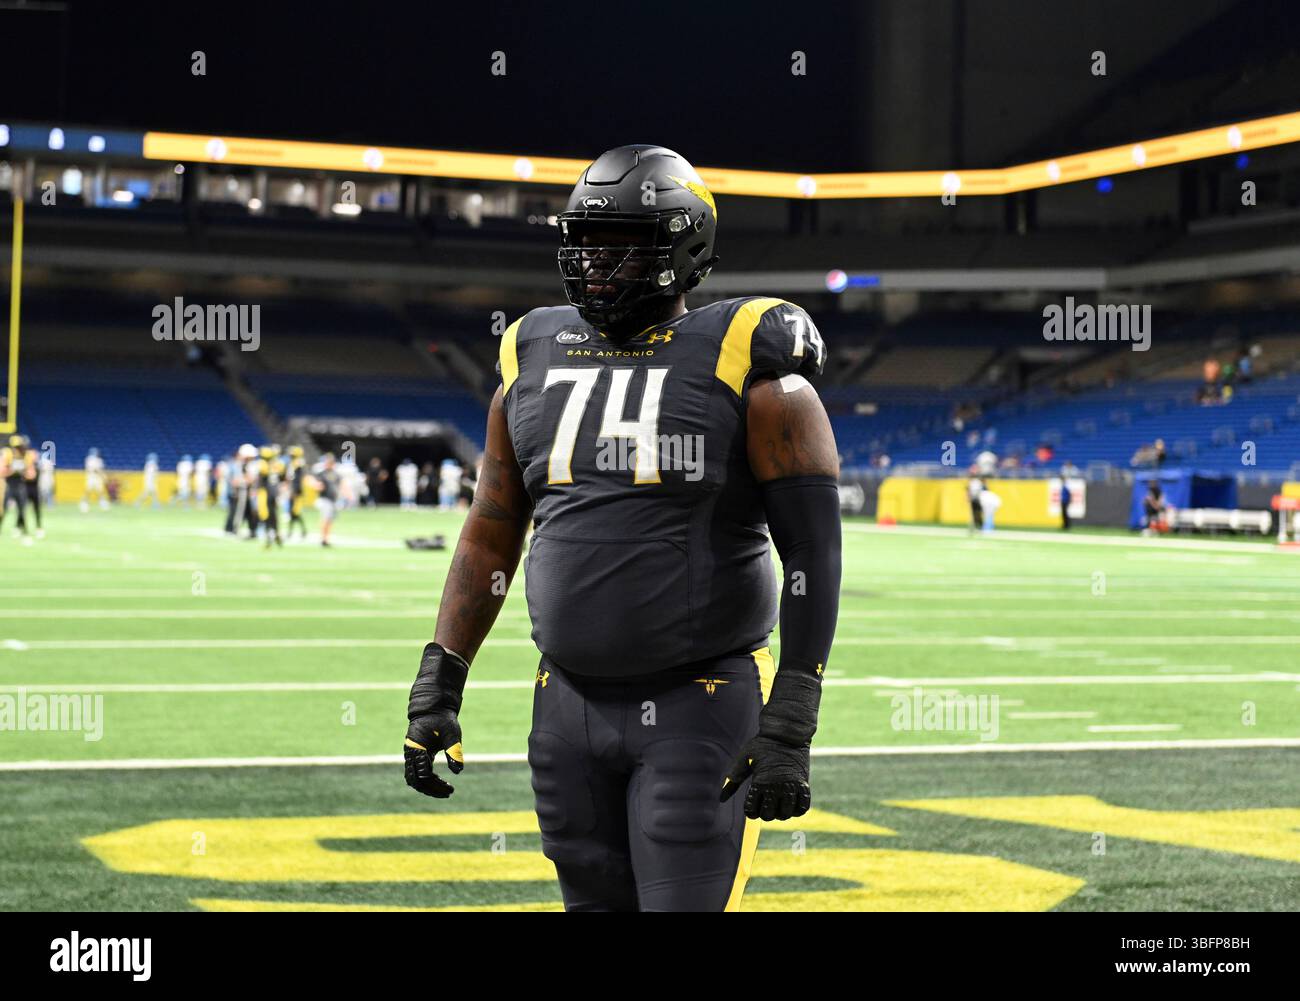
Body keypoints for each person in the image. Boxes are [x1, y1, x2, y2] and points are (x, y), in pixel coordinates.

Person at [401, 144, 840, 912]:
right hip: (564, 703)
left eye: (624, 245)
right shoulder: (530, 350)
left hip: (699, 701)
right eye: (586, 242)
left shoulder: (749, 362)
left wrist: (794, 710)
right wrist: (443, 672)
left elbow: (811, 550)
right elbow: (493, 526)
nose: (597, 263)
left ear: (684, 247)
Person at [311, 453, 341, 547]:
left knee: (330, 520)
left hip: (333, 500)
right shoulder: (322, 473)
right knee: (325, 519)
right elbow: (315, 483)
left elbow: (338, 485)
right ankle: (323, 538)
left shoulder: (335, 474)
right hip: (325, 499)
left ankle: (326, 538)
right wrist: (318, 486)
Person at [81, 448, 108, 512]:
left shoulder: (99, 460)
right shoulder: (89, 459)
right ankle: (84, 504)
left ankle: (103, 504)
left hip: (98, 478)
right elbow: (93, 469)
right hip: (91, 477)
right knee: (88, 491)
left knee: (100, 491)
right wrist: (102, 474)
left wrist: (103, 476)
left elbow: (101, 469)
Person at [966, 466, 983, 535]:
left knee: (977, 513)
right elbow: (969, 490)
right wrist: (968, 497)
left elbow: (977, 491)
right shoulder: (972, 482)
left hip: (977, 499)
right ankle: (975, 527)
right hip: (974, 499)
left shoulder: (977, 482)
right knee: (974, 514)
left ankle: (979, 527)